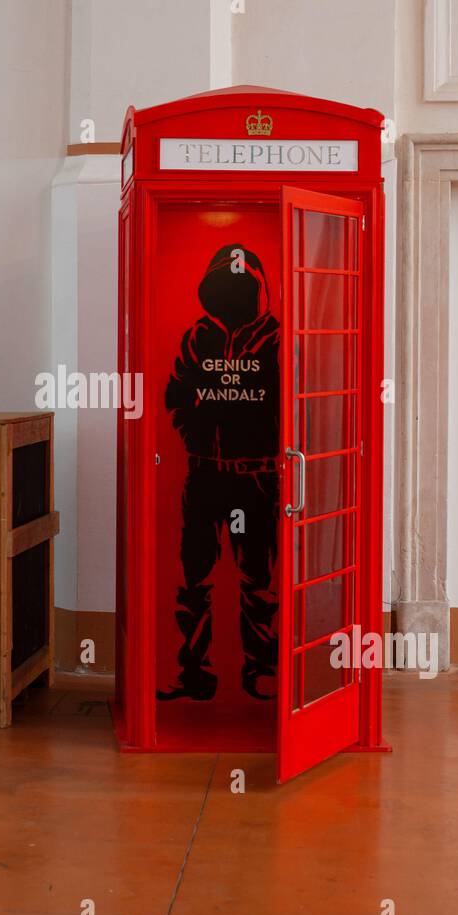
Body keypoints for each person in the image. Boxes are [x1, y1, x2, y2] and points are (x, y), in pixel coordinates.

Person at [158, 243, 280, 703]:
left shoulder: (277, 339)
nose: (235, 294)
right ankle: (194, 671)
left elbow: (294, 403)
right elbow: (174, 396)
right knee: (194, 579)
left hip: (259, 476)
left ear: (258, 290)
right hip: (206, 475)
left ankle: (262, 670)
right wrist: (194, 437)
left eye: (243, 286)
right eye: (227, 285)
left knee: (260, 582)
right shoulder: (197, 338)